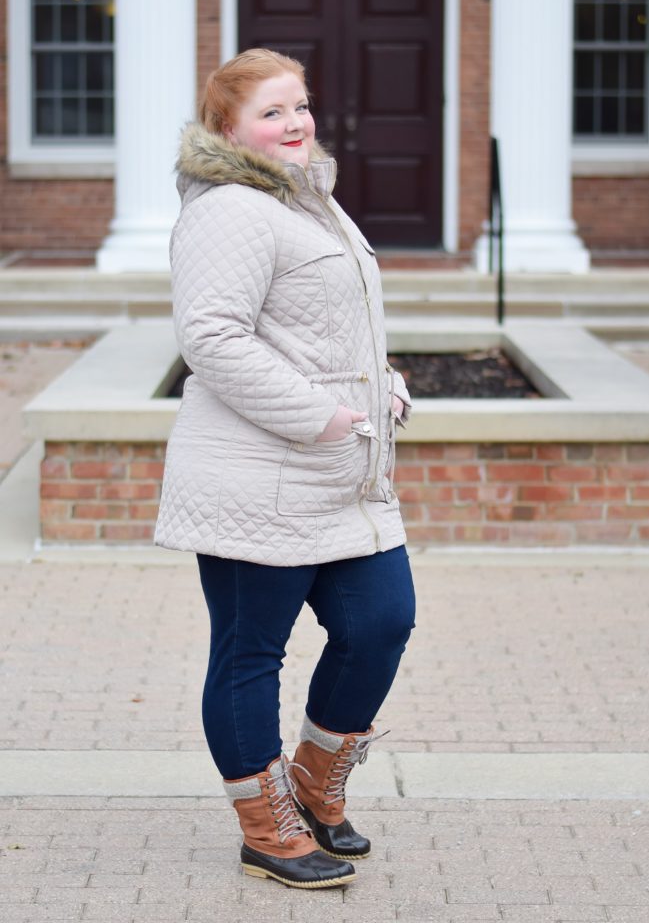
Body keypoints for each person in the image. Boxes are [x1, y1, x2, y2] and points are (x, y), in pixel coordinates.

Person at [155, 48, 416, 890]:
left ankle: (312, 782)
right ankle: (266, 824)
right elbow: (213, 337)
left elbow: (325, 328)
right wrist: (321, 413)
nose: (295, 123)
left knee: (380, 621)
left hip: (341, 476)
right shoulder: (230, 209)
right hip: (255, 476)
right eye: (272, 112)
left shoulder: (308, 203)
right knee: (248, 654)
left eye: (299, 105)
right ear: (228, 128)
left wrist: (381, 383)